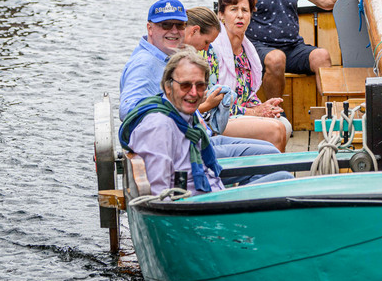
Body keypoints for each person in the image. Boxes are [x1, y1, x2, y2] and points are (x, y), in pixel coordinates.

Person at [119, 0, 285, 167]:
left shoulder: (165, 57)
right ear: (150, 28)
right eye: (166, 25)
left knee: (269, 149)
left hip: (199, 138)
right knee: (270, 156)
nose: (174, 31)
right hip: (184, 152)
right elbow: (128, 110)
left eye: (180, 25)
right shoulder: (145, 63)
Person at [120, 49, 290, 194]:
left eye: (200, 86)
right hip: (203, 211)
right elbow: (160, 197)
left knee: (278, 169)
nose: (194, 93)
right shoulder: (159, 127)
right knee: (285, 179)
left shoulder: (184, 119)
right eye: (185, 85)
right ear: (167, 87)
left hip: (213, 195)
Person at [201, 0, 291, 151]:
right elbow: (213, 102)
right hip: (215, 119)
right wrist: (255, 112)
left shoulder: (247, 52)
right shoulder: (212, 50)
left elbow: (247, 95)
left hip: (239, 114)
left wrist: (264, 107)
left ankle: (261, 172)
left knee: (282, 122)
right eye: (233, 9)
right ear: (221, 15)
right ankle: (274, 176)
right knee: (277, 129)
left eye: (245, 10)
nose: (240, 15)